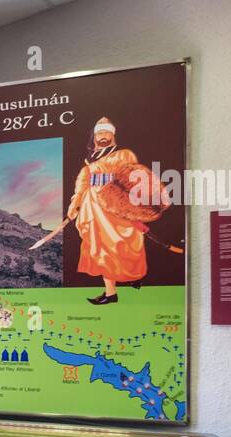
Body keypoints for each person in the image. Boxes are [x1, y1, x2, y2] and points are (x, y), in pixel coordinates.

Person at [66, 117, 167, 305]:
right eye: (98, 133)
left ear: (113, 134)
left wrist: (130, 205)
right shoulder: (90, 159)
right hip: (94, 208)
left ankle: (133, 276)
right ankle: (110, 293)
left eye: (105, 132)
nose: (102, 136)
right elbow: (83, 182)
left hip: (116, 206)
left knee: (125, 244)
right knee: (101, 248)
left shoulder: (124, 154)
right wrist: (75, 203)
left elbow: (132, 179)